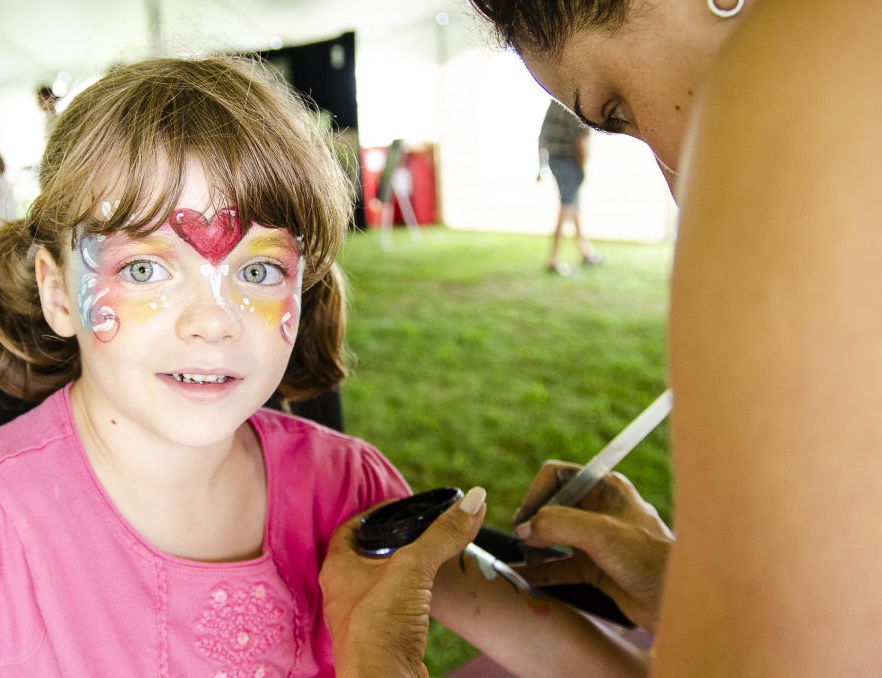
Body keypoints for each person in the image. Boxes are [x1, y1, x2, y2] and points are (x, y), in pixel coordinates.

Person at [0, 56, 646, 677]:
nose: (212, 321)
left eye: (259, 270)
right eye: (144, 269)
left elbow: (579, 659)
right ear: (58, 292)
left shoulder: (350, 490)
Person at [324, 1, 881, 675]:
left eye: (615, 111)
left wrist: (379, 664)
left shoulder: (825, 85)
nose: (679, 187)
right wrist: (679, 591)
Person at [538, 101, 602, 275]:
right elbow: (581, 142)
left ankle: (585, 253)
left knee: (574, 206)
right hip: (570, 163)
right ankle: (553, 259)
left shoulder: (554, 103)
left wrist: (541, 166)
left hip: (554, 160)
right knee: (566, 208)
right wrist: (583, 168)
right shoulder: (579, 106)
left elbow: (542, 137)